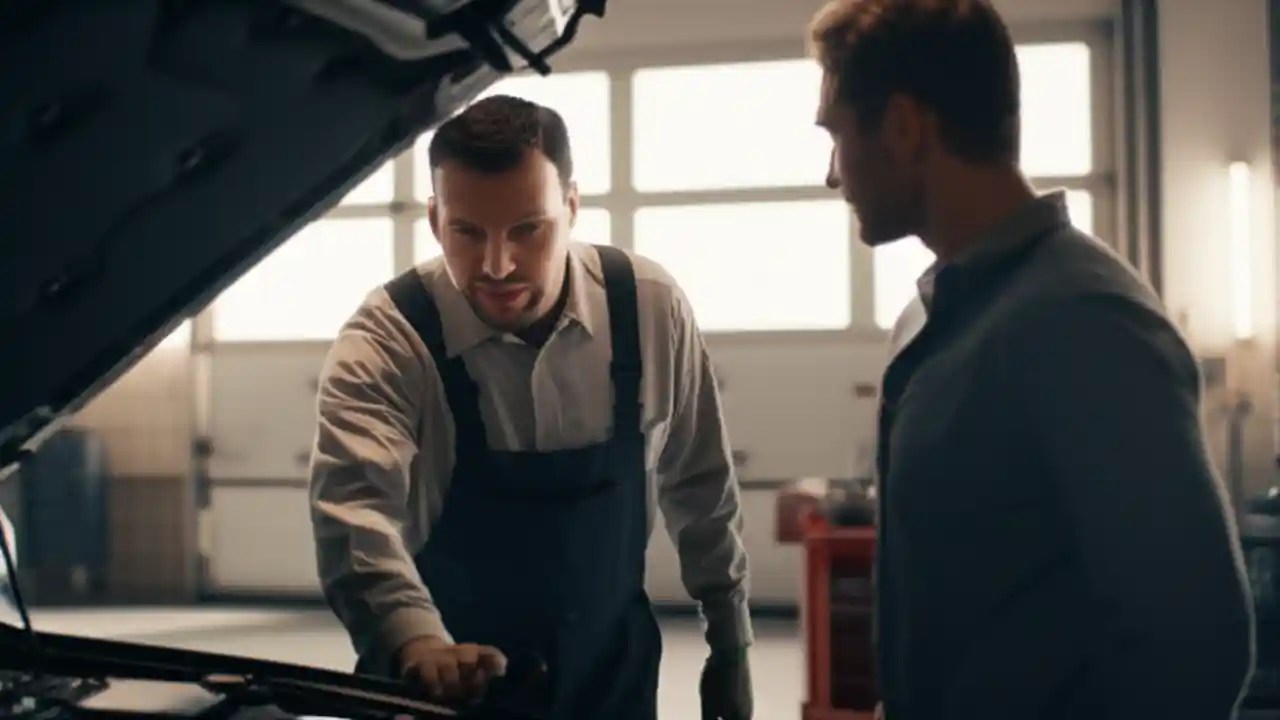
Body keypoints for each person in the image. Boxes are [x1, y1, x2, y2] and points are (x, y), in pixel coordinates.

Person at [806, 1, 1255, 718]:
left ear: (903, 126)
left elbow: (1198, 649)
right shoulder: (934, 314)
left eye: (835, 134)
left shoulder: (1085, 321)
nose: (833, 174)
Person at [307, 94, 754, 720]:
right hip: (439, 695)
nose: (498, 265)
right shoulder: (387, 340)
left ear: (571, 208)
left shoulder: (650, 307)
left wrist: (731, 643)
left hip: (611, 685)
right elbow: (355, 518)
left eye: (527, 230)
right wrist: (417, 640)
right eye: (468, 232)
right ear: (434, 219)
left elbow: (702, 486)